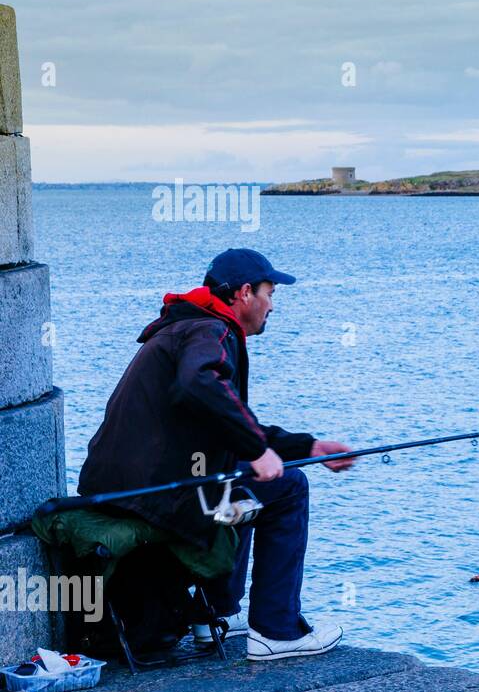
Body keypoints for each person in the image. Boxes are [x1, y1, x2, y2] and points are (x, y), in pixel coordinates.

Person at [78, 248, 354, 660]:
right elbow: (199, 385)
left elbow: (227, 419)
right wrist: (257, 451)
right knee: (287, 486)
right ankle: (276, 630)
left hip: (128, 489)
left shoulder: (188, 327)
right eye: (270, 292)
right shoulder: (212, 333)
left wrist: (307, 446)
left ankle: (214, 617)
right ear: (245, 293)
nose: (272, 305)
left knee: (236, 480)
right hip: (158, 495)